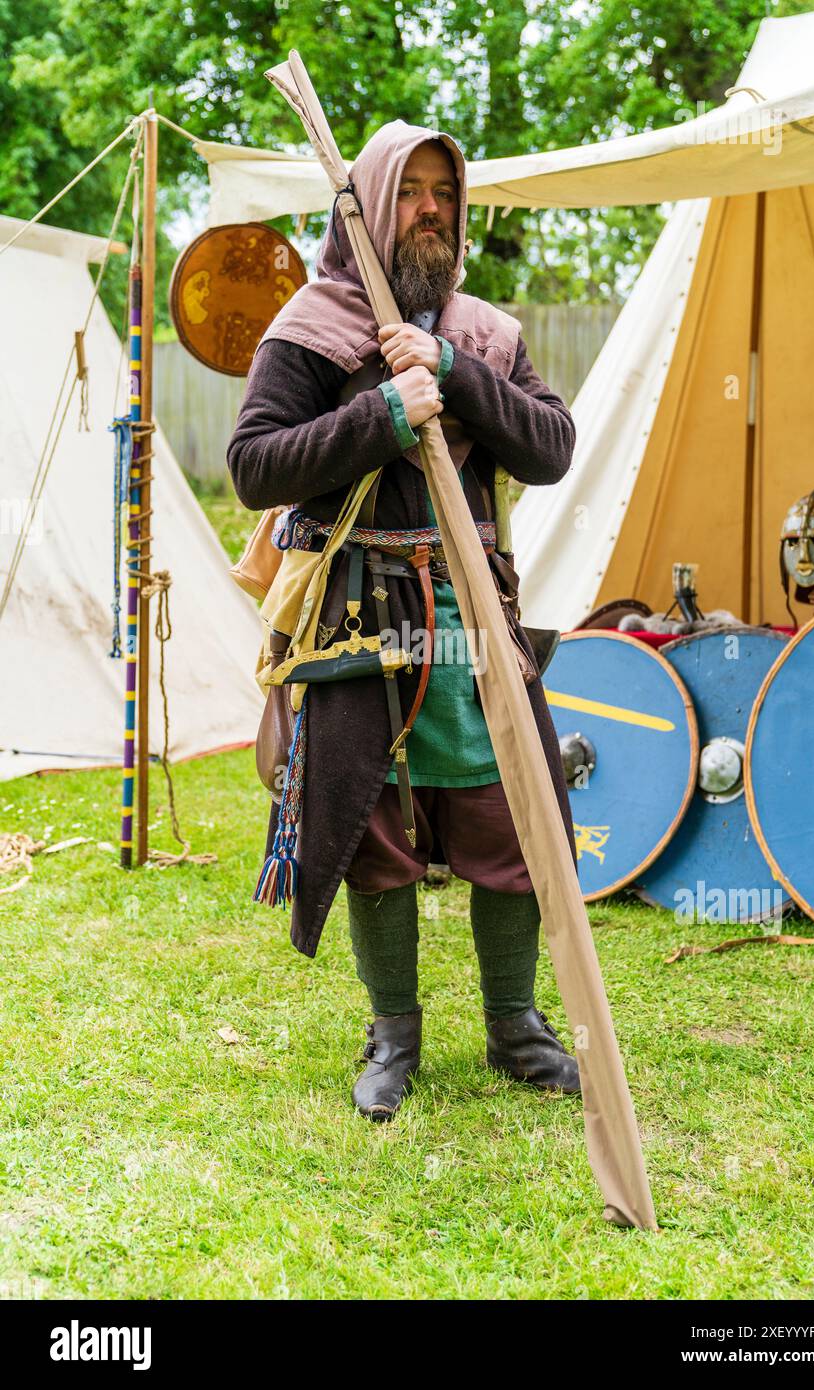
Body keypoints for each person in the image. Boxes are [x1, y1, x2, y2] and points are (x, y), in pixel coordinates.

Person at [228, 119, 580, 1121]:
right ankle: (394, 1034)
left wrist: (453, 372)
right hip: (356, 621)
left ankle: (514, 1025)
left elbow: (551, 446)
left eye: (444, 193)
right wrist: (381, 412)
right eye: (410, 191)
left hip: (472, 625)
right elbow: (254, 464)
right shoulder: (311, 328)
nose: (430, 208)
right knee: (371, 831)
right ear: (371, 206)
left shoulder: (486, 335)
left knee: (507, 817)